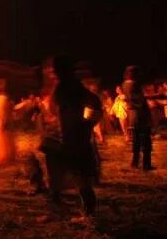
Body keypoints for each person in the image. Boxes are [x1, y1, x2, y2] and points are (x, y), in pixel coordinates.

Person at [45, 55, 102, 219]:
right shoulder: (70, 85)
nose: (52, 72)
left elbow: (93, 102)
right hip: (70, 137)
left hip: (70, 138)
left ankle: (86, 213)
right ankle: (61, 208)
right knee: (67, 174)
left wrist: (85, 125)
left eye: (53, 69)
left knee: (78, 175)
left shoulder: (66, 86)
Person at [123, 66, 153, 170]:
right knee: (145, 139)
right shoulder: (134, 85)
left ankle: (135, 162)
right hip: (140, 115)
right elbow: (139, 101)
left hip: (132, 115)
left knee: (136, 139)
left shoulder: (125, 84)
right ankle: (146, 164)